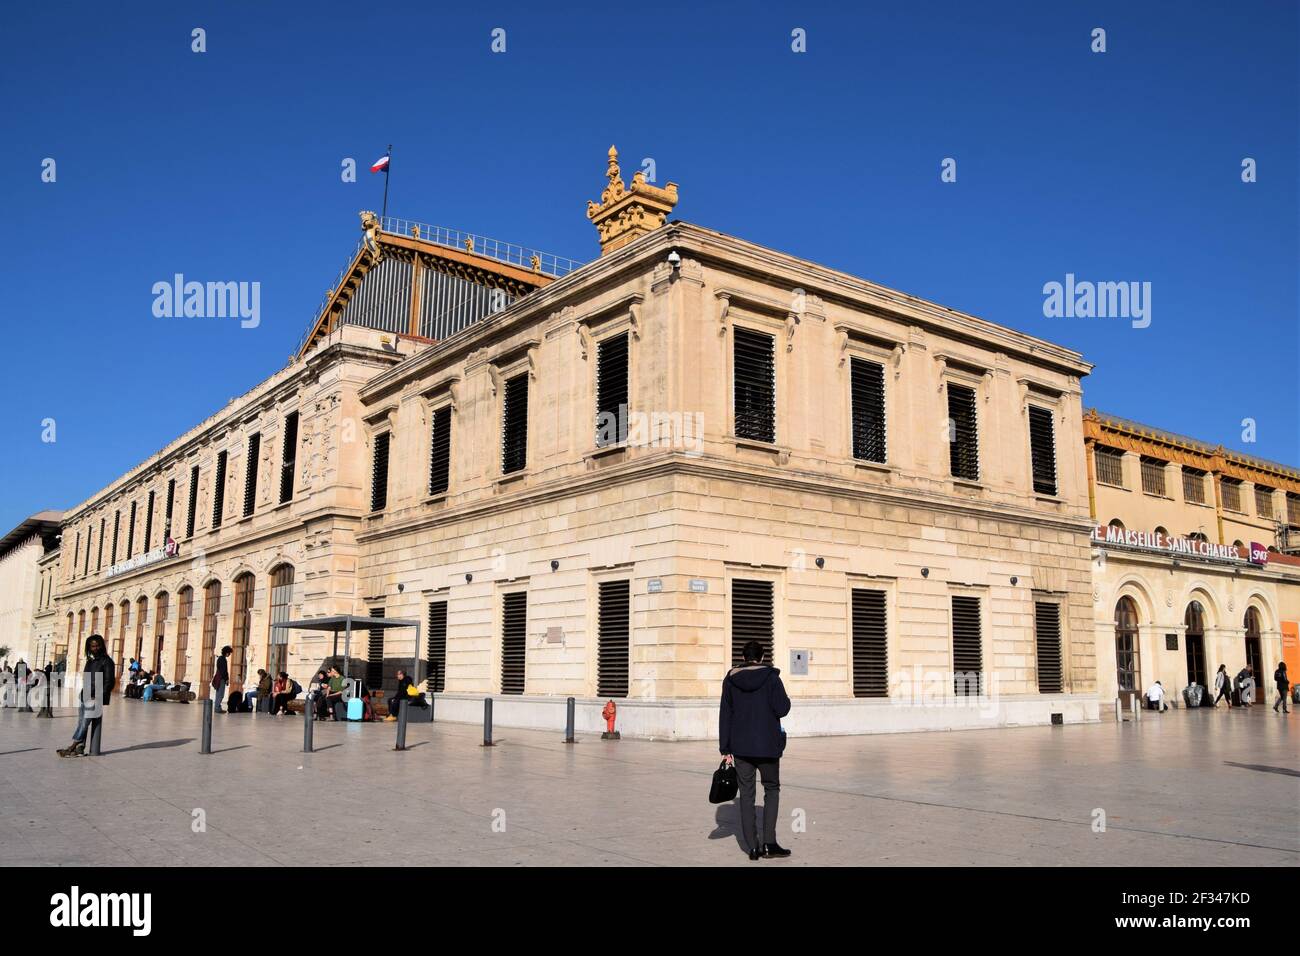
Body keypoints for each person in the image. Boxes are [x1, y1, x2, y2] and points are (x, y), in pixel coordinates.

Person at [719, 639, 792, 861]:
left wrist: (725, 747)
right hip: (768, 746)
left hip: (740, 747)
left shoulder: (730, 679)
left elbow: (725, 713)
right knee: (771, 789)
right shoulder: (771, 678)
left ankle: (752, 846)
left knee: (747, 794)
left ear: (743, 658)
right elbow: (782, 708)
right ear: (761, 657)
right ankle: (769, 843)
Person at [57, 634, 116, 757]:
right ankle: (80, 748)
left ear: (101, 646)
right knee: (81, 722)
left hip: (95, 697)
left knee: (85, 723)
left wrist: (99, 696)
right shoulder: (90, 661)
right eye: (92, 646)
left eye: (97, 645)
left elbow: (109, 682)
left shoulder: (107, 661)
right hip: (85, 695)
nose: (95, 648)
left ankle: (72, 747)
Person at [212, 646, 232, 713]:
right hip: (221, 679)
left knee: (219, 694)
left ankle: (218, 707)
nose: (229, 654)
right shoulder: (222, 659)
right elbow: (224, 671)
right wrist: (226, 679)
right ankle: (217, 708)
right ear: (227, 653)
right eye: (229, 653)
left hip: (219, 678)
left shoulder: (220, 658)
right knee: (220, 694)